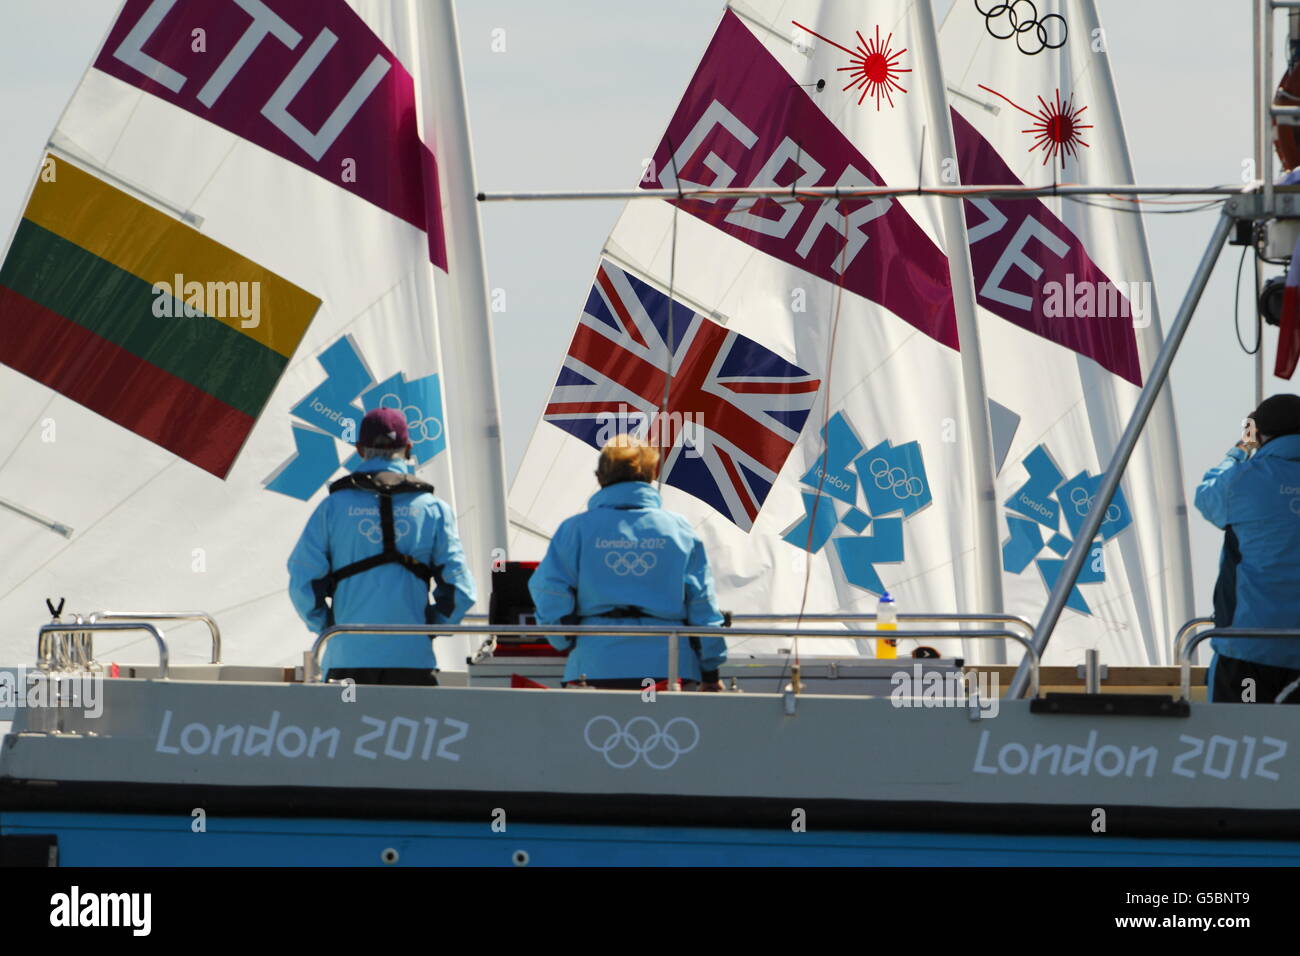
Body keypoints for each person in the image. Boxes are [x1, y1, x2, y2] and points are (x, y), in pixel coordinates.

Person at [288, 407, 475, 685]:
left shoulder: (331, 509)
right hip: (412, 661)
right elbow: (461, 591)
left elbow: (302, 583)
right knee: (410, 730)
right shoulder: (434, 509)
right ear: (409, 448)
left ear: (360, 449)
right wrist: (429, 628)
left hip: (346, 661)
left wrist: (328, 627)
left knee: (347, 729)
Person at [529, 435, 727, 690]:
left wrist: (564, 640)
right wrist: (711, 671)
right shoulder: (679, 530)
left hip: (593, 666)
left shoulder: (574, 530)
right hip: (669, 670)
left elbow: (548, 590)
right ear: (651, 475)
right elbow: (703, 604)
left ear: (600, 476)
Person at [1195, 394, 1300, 703]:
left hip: (1248, 648)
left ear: (1258, 433)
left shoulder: (1241, 480)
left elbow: (1206, 498)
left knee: (1240, 748)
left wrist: (1241, 449)